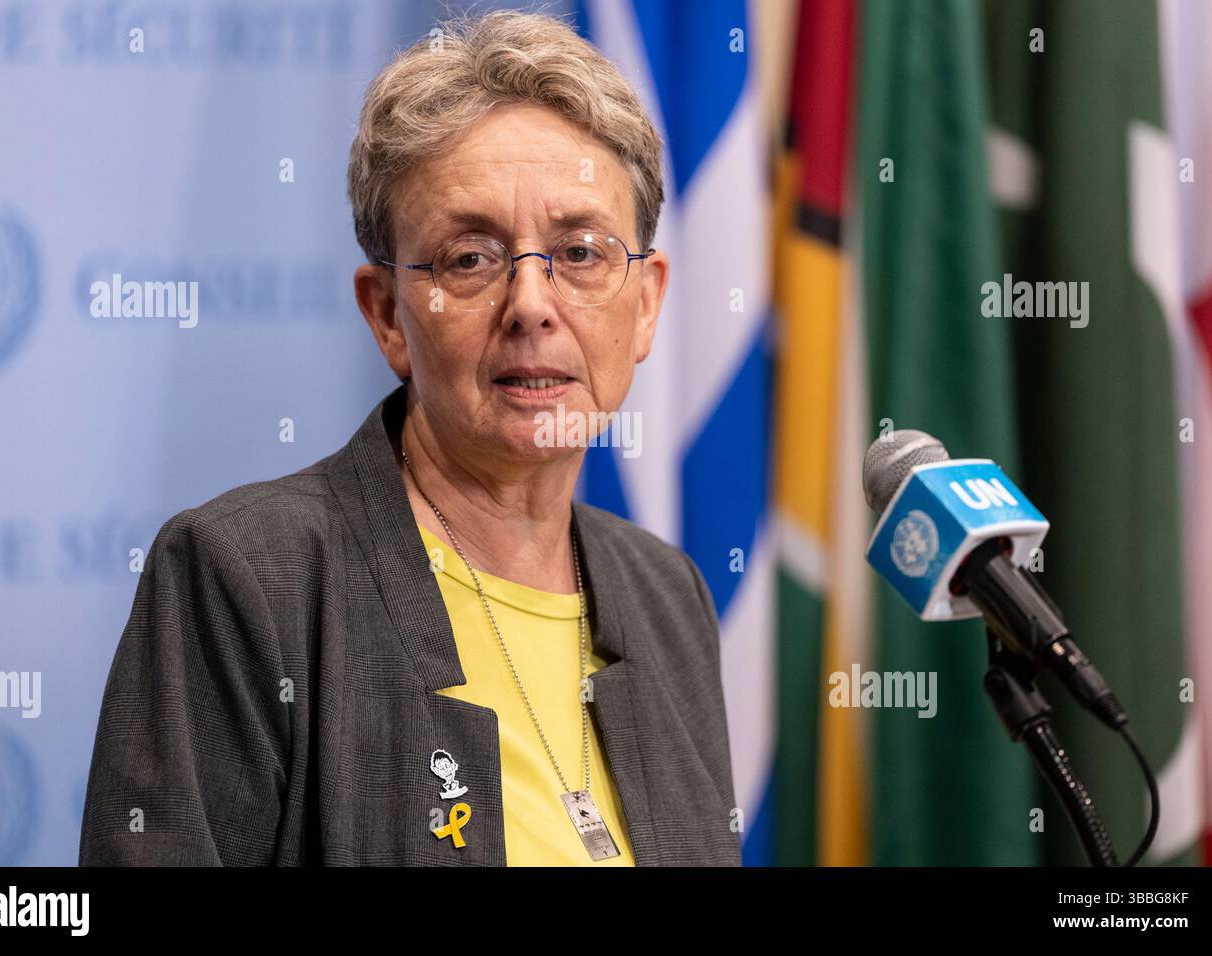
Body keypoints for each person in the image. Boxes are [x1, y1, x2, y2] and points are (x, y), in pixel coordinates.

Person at [79, 9, 741, 867]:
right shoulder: (246, 578)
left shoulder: (667, 596)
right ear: (388, 314)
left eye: (579, 251)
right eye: (470, 258)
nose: (532, 304)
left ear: (645, 302)